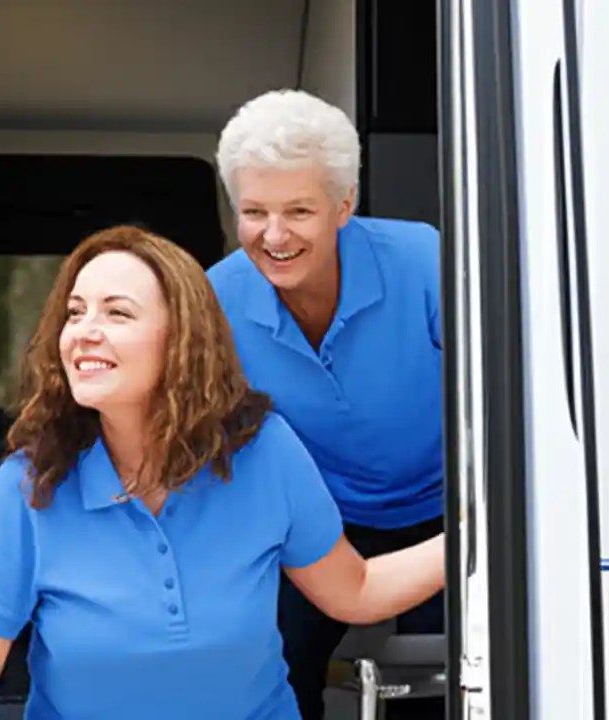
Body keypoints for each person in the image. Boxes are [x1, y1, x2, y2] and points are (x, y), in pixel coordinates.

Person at [0, 225, 444, 719]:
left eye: (117, 313)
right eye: (75, 312)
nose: (85, 332)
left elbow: (356, 590)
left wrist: (474, 531)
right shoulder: (30, 485)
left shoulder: (265, 452)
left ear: (180, 341)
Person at [207, 89, 446, 719]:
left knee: (442, 683)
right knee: (267, 670)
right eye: (254, 212)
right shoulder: (214, 300)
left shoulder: (424, 262)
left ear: (344, 205)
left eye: (299, 211)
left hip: (446, 513)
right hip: (312, 520)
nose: (274, 235)